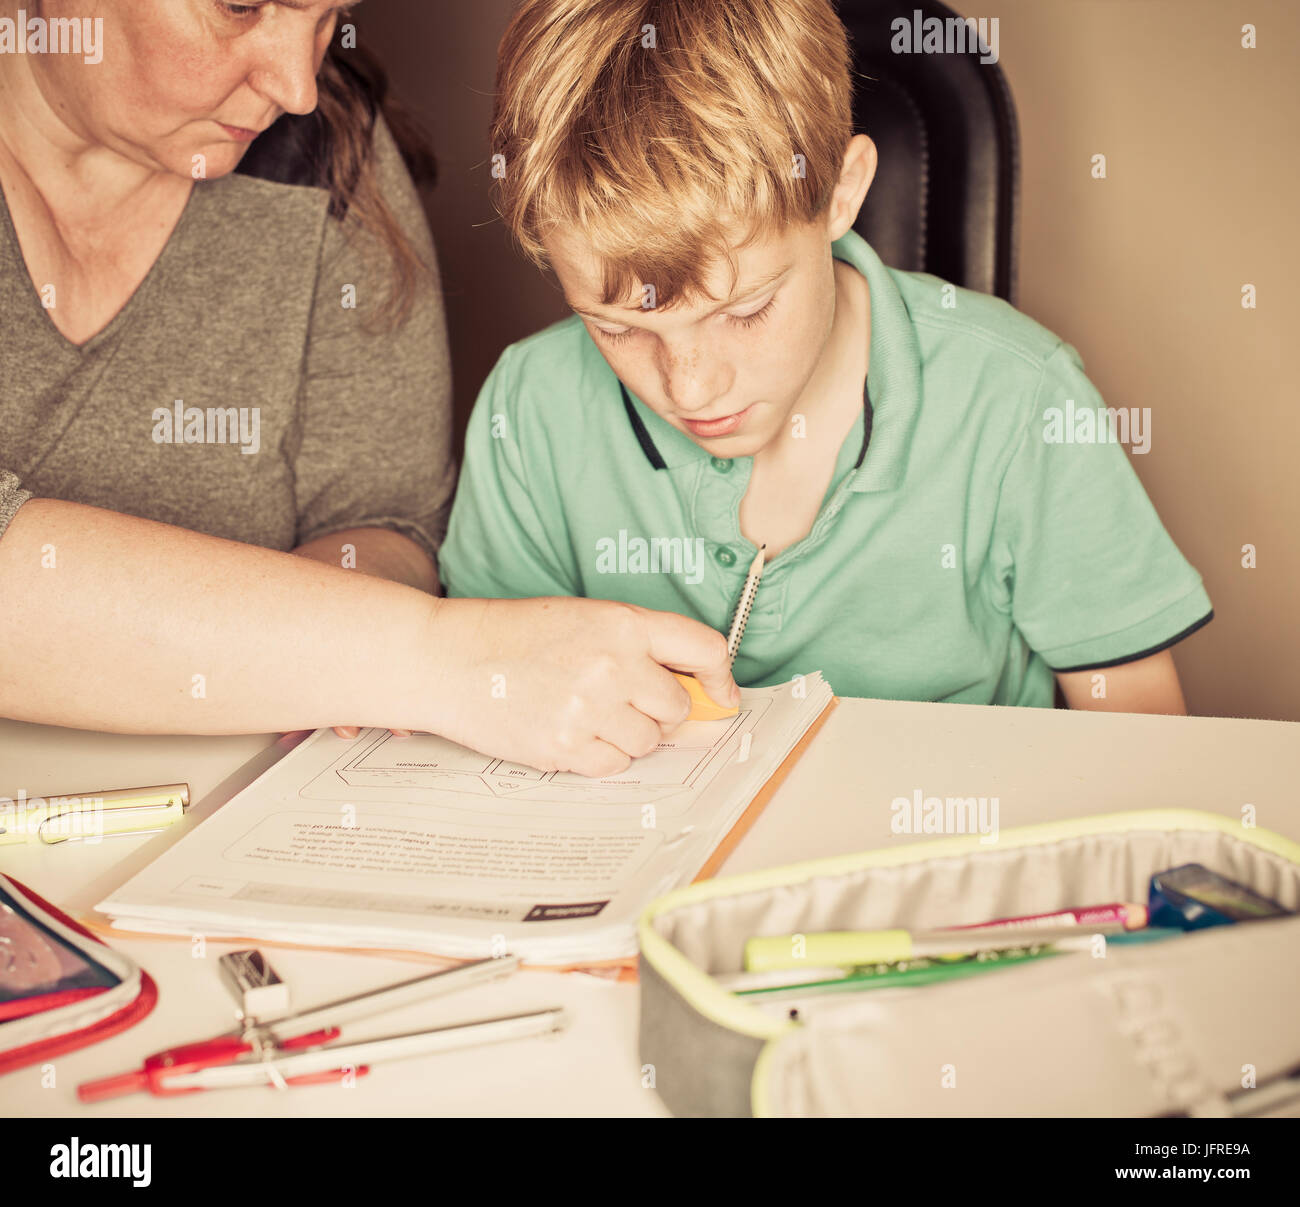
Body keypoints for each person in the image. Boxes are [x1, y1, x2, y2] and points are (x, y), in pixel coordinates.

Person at [0, 0, 737, 778]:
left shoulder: (330, 153)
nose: (297, 87)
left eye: (328, 15)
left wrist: (324, 658)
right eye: (239, 6)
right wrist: (443, 659)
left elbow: (380, 525)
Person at [438, 0, 1213, 714]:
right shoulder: (530, 409)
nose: (691, 386)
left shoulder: (1021, 401)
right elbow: (492, 694)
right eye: (617, 328)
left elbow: (1143, 746)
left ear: (842, 192)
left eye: (744, 310)